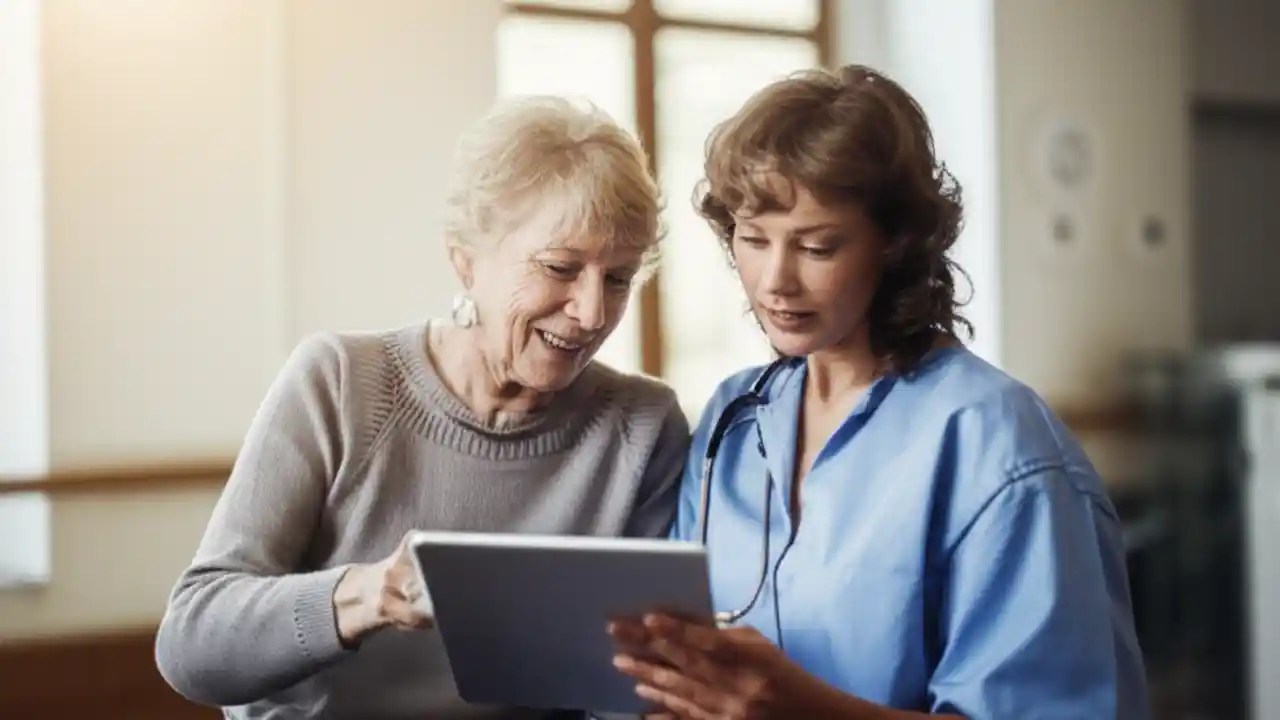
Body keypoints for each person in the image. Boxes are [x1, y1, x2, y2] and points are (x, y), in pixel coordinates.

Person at [608, 65, 1149, 719]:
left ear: (893, 242)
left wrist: (804, 712)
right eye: (751, 240)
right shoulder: (734, 421)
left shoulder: (999, 448)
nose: (775, 281)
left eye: (817, 246)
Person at [155, 96, 689, 719]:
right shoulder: (339, 382)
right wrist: (364, 596)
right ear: (465, 259)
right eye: (559, 267)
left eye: (619, 278)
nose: (592, 312)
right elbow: (192, 644)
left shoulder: (643, 427)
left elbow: (631, 689)